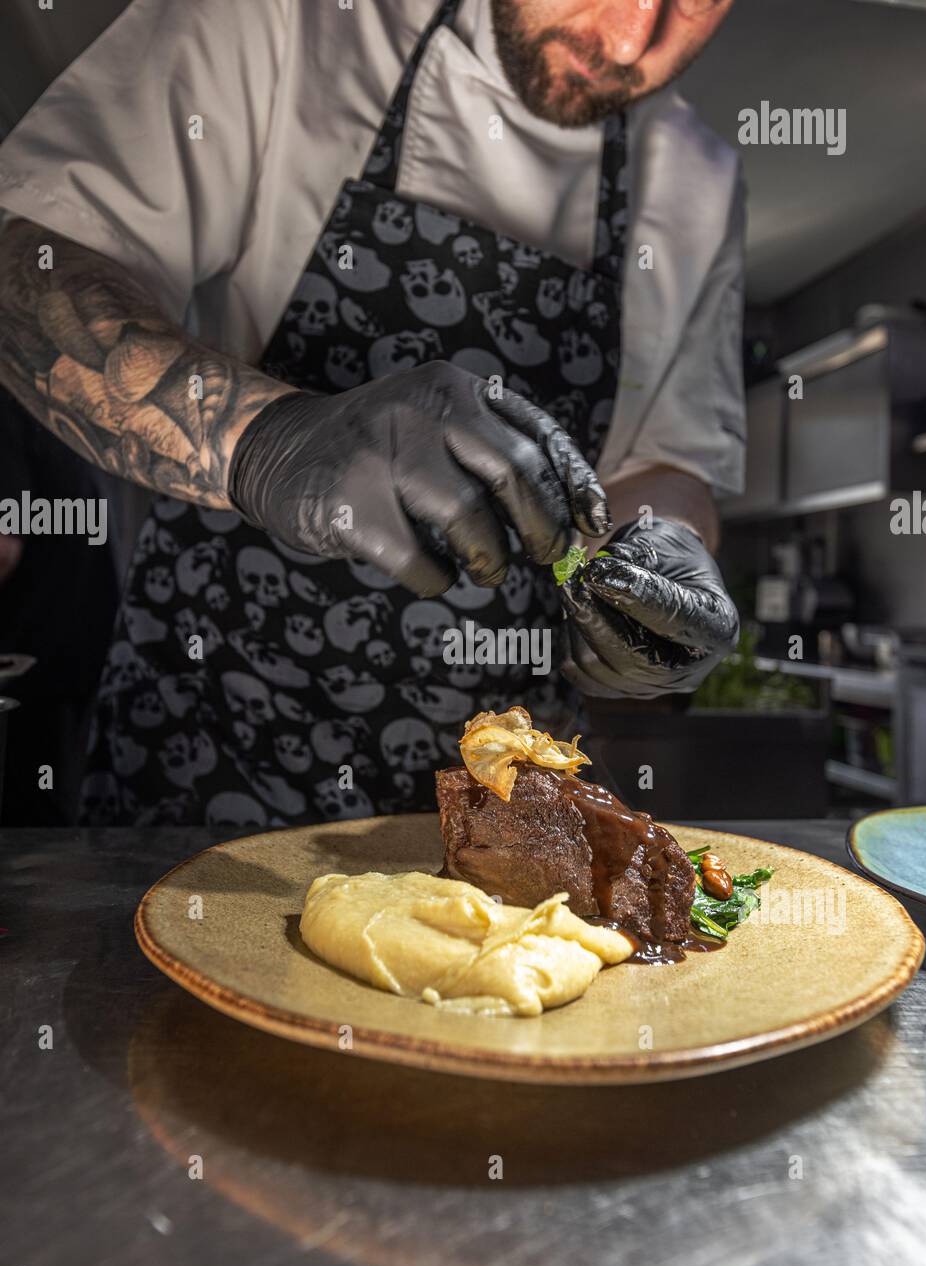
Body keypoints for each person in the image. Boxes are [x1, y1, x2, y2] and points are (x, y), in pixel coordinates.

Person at [0, 0, 744, 827]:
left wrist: (664, 554)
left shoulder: (699, 179)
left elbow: (667, 463)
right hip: (204, 747)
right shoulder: (284, 21)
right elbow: (27, 271)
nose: (628, 38)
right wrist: (268, 443)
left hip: (499, 788)